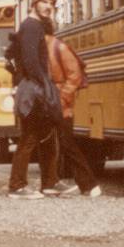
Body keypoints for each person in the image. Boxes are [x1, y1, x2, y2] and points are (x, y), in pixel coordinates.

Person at [6, 0, 62, 199]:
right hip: (34, 89)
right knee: (29, 137)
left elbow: (11, 55)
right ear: (34, 4)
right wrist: (45, 85)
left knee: (47, 135)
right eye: (44, 2)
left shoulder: (33, 26)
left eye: (52, 3)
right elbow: (30, 62)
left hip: (34, 86)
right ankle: (17, 186)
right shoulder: (31, 26)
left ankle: (49, 182)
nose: (49, 6)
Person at [44, 32, 101, 198]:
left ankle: (89, 184)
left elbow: (74, 75)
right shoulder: (43, 47)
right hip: (52, 103)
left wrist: (61, 100)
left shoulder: (58, 47)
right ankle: (57, 183)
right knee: (59, 144)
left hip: (61, 106)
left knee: (67, 145)